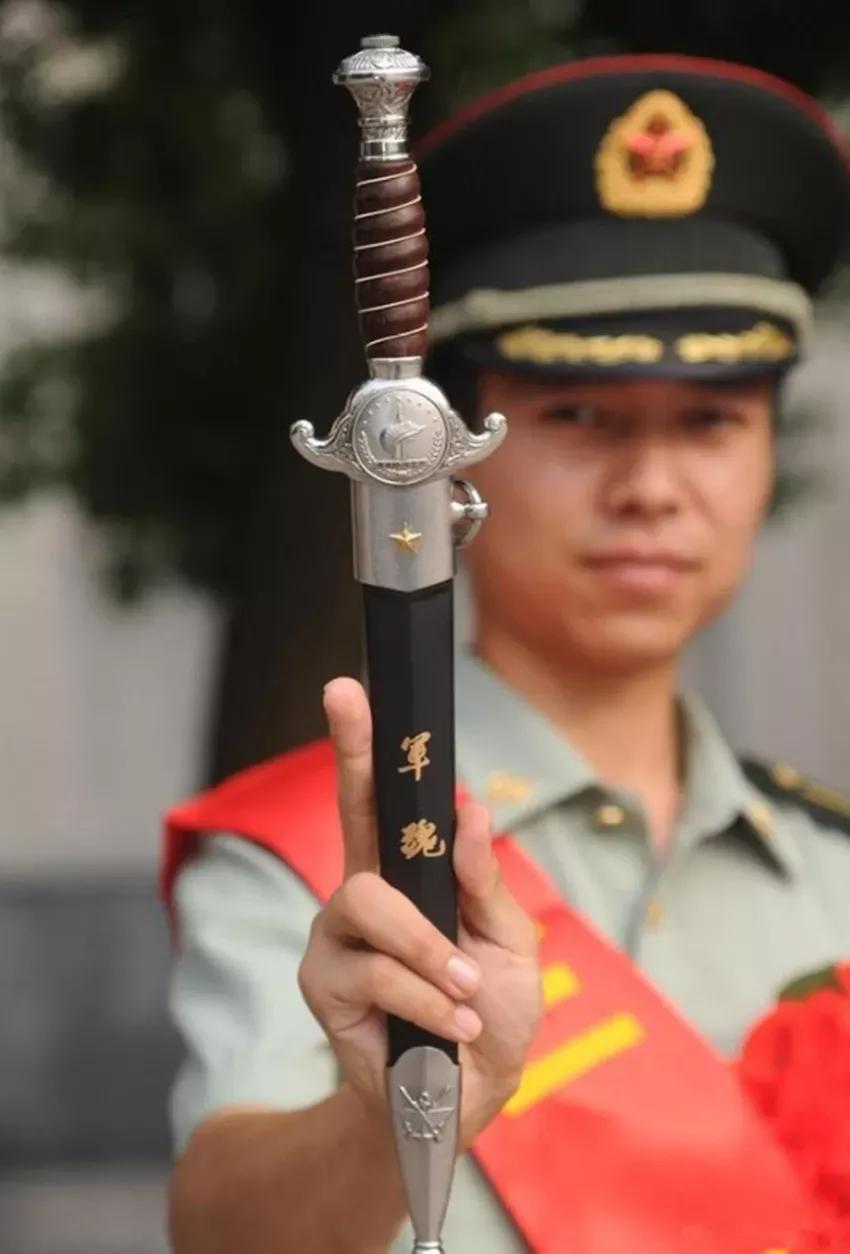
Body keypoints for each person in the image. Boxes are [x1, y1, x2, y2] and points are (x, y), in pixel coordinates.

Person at [162, 55, 850, 1252]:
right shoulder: (308, 854)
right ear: (463, 446)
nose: (651, 490)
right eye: (579, 417)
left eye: (711, 420)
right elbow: (223, 1230)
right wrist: (383, 1121)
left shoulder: (829, 863)